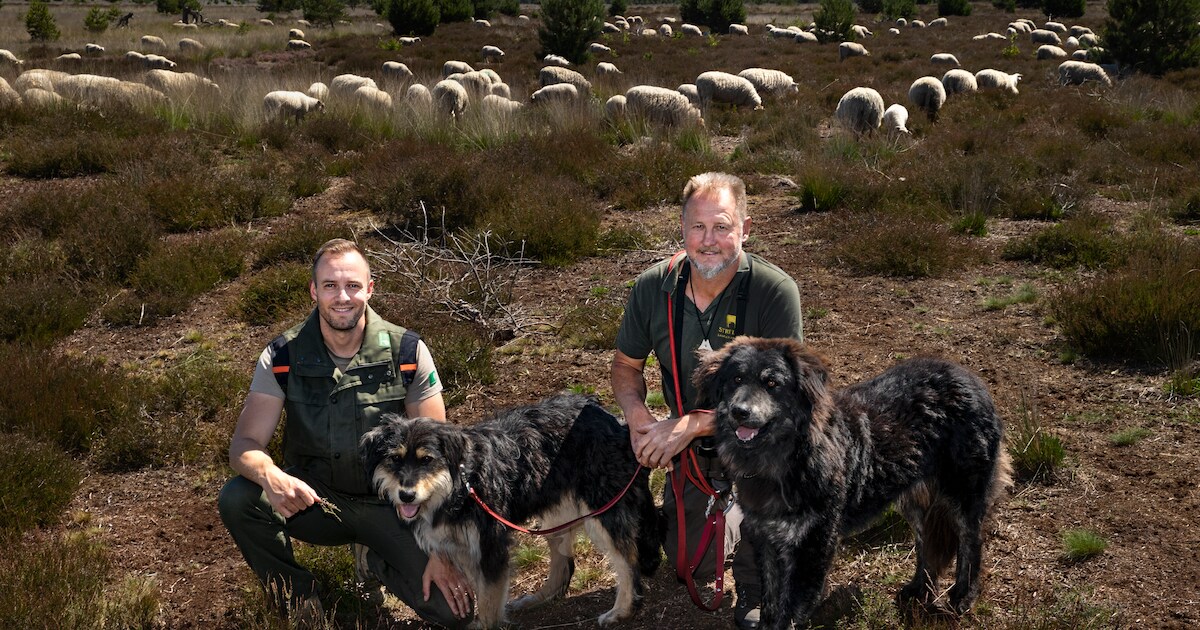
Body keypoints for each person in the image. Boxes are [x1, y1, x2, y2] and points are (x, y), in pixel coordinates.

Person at [218, 238, 474, 627]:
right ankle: (299, 599)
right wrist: (272, 476)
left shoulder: (407, 351)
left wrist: (441, 549)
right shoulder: (283, 355)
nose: (342, 297)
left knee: (455, 612)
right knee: (239, 498)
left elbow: (440, 461)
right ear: (313, 290)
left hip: (394, 507)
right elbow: (244, 445)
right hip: (314, 502)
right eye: (330, 286)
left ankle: (375, 561)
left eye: (353, 286)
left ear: (370, 289)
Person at [611, 173, 804, 630]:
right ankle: (720, 516)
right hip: (693, 458)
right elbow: (625, 367)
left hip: (763, 444)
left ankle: (760, 586)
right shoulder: (653, 288)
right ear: (682, 229)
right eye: (697, 228)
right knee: (686, 567)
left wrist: (692, 424)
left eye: (722, 227)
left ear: (745, 228)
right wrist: (638, 417)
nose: (709, 241)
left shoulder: (774, 292)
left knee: (772, 479)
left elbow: (785, 402)